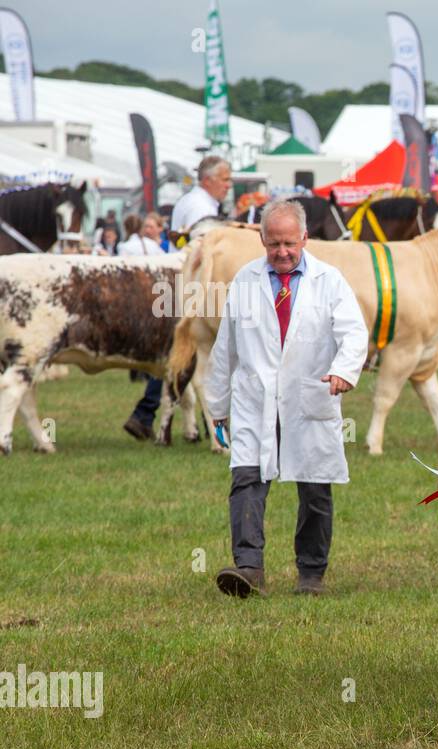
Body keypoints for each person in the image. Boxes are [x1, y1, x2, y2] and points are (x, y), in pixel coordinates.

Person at [206, 199, 368, 597]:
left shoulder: (329, 281)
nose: (281, 252)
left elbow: (354, 332)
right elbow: (225, 347)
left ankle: (311, 574)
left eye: (289, 244)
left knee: (314, 487)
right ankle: (249, 569)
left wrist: (344, 370)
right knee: (246, 479)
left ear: (305, 239)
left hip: (308, 396)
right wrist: (218, 406)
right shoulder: (245, 281)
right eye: (274, 244)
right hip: (254, 399)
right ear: (262, 239)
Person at [121, 212, 171, 441]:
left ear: (161, 229)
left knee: (162, 363)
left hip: (159, 307)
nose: (148, 229)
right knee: (164, 362)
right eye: (146, 226)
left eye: (153, 226)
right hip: (155, 309)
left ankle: (146, 416)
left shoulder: (164, 249)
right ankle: (144, 414)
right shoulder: (147, 249)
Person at [170, 156, 232, 238]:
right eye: (225, 180)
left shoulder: (192, 200)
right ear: (207, 181)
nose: (229, 185)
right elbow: (199, 246)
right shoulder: (201, 207)